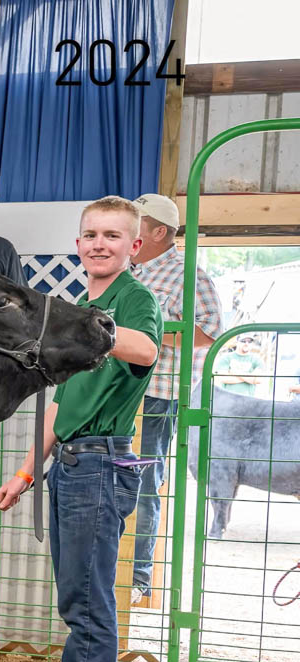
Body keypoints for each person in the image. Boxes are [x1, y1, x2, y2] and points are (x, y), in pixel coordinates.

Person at [0, 196, 162, 662]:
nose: (99, 243)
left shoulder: (133, 300)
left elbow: (146, 350)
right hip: (71, 462)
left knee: (90, 610)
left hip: (99, 465)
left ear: (133, 247)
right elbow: (60, 404)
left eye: (113, 236)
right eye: (91, 234)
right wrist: (24, 472)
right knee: (77, 603)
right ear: (78, 242)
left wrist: (95, 330)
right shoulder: (88, 301)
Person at [126, 192, 223, 606]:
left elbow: (210, 331)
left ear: (159, 232)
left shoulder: (189, 274)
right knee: (121, 478)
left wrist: (146, 334)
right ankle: (119, 567)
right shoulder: (129, 273)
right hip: (123, 391)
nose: (130, 231)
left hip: (159, 395)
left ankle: (139, 577)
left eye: (137, 224)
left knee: (146, 482)